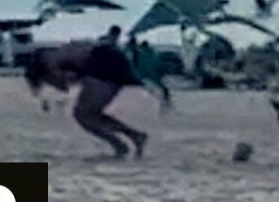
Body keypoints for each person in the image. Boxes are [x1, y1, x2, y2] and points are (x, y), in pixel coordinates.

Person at [24, 41, 172, 159]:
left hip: (101, 61)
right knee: (89, 113)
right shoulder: (51, 55)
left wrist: (56, 94)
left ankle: (123, 143)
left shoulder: (45, 62)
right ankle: (131, 137)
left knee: (82, 114)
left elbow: (64, 86)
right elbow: (73, 78)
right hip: (106, 57)